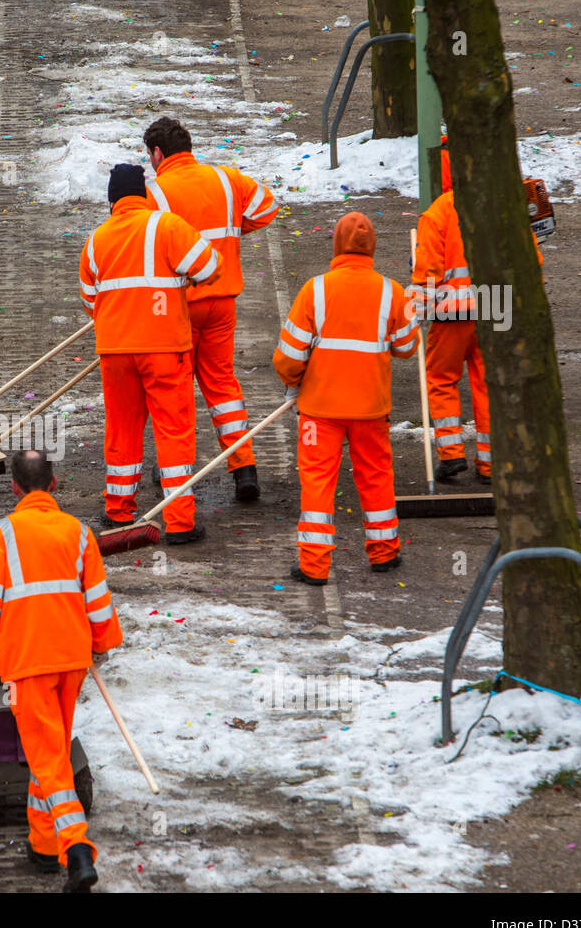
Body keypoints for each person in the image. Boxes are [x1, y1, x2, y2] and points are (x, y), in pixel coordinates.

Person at [0, 450, 123, 892]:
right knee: (48, 752)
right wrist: (103, 646)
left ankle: (76, 847)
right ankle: (44, 845)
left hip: (28, 664)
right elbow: (98, 602)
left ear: (14, 487)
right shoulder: (79, 533)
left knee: (48, 759)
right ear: (55, 484)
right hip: (72, 661)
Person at [272, 212, 419, 585]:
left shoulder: (315, 290)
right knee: (376, 478)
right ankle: (384, 552)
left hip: (320, 410)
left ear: (336, 244)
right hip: (371, 408)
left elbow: (289, 356)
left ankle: (314, 565)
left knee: (318, 484)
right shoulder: (392, 291)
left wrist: (294, 381)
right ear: (372, 247)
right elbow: (406, 347)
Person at [79, 162, 220, 544]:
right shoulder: (167, 226)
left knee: (122, 429)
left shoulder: (96, 240)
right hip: (164, 348)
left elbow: (90, 299)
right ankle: (179, 521)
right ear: (143, 195)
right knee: (173, 430)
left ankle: (118, 509)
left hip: (115, 351)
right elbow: (210, 267)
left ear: (111, 201)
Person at [142, 116, 279, 503]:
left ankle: (174, 469)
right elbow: (267, 207)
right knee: (222, 385)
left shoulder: (157, 194)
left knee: (177, 390)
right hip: (222, 302)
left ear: (157, 153)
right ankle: (244, 466)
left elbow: (149, 248)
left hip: (179, 308)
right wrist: (234, 233)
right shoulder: (226, 179)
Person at [409, 142, 543, 485]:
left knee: (441, 381)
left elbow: (427, 274)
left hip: (451, 315)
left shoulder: (438, 213)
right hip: (496, 309)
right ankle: (490, 462)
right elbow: (532, 261)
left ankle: (451, 455)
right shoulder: (503, 207)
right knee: (489, 385)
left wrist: (419, 312)